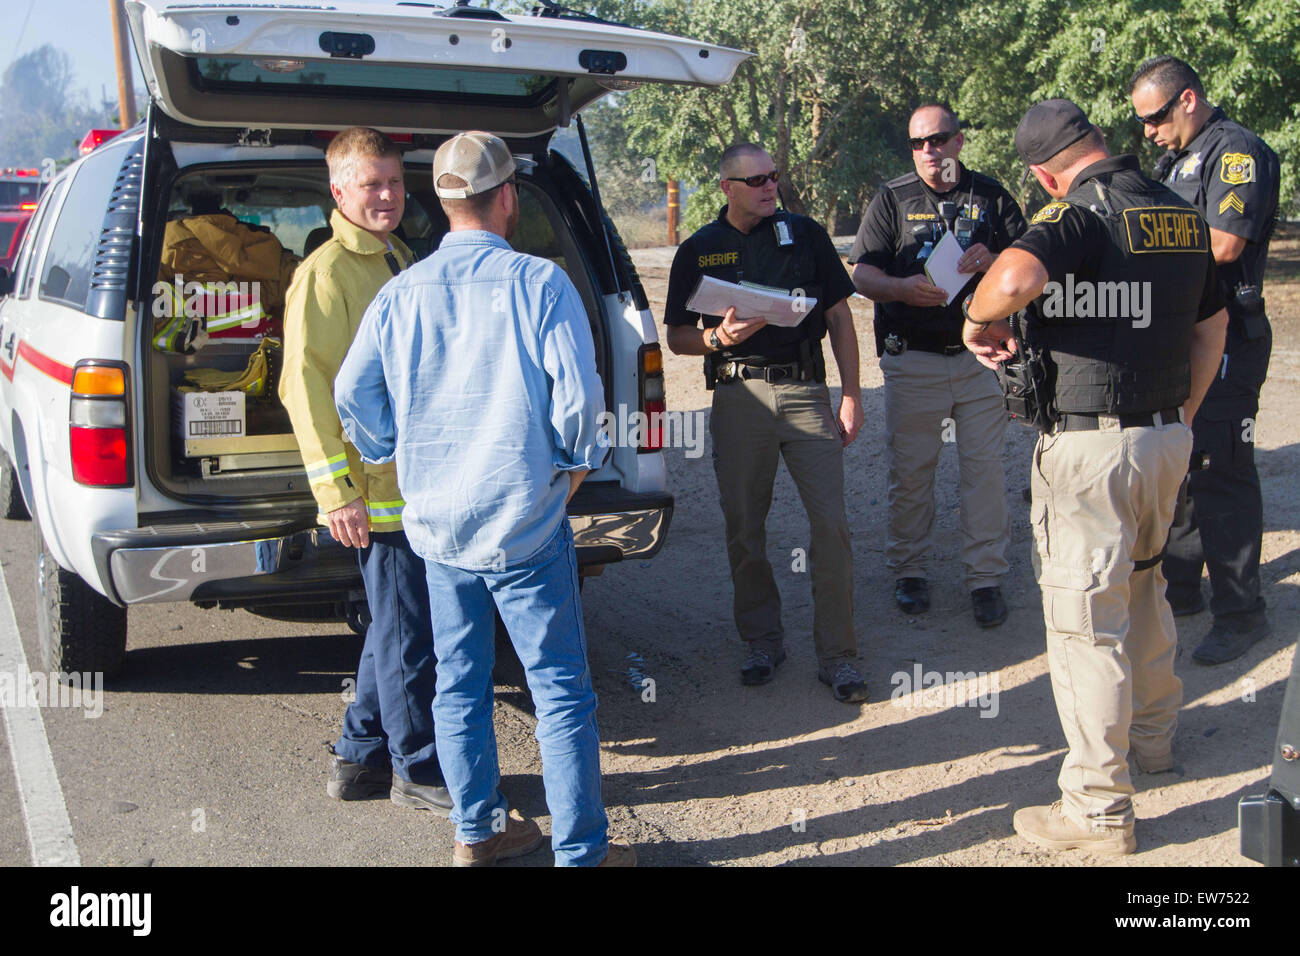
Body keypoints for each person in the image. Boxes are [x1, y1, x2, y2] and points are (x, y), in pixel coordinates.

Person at [334, 131, 632, 867]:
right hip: (525, 524)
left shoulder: (399, 293)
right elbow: (580, 401)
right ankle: (581, 854)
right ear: (508, 198)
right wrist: (572, 471)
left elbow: (351, 392)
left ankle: (477, 832)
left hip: (439, 530)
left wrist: (385, 448)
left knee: (458, 686)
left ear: (442, 203)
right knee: (558, 692)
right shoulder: (541, 284)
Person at [963, 99, 1227, 855]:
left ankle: (1098, 811)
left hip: (1092, 450)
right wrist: (1180, 417)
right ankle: (1154, 743)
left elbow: (1013, 275)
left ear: (1045, 174)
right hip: (1165, 438)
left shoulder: (1078, 213)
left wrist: (975, 321)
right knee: (1144, 588)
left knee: (1085, 624)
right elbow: (1212, 327)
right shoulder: (1177, 211)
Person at [279, 126, 449, 815]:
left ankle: (358, 757)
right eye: (371, 183)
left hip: (407, 484)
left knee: (393, 627)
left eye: (395, 181)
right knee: (408, 637)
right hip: (371, 494)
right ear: (339, 190)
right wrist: (335, 493)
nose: (387, 195)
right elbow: (303, 387)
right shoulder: (326, 274)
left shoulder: (395, 255)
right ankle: (417, 771)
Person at [664, 142, 867, 703]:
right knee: (745, 526)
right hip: (739, 398)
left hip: (805, 392)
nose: (769, 186)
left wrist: (851, 395)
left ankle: (839, 656)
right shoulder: (699, 250)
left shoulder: (805, 235)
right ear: (726, 188)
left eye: (772, 176)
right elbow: (676, 336)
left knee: (831, 525)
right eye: (754, 181)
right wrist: (715, 338)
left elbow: (839, 318)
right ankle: (761, 641)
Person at [1129, 56, 1281, 666]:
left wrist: (1146, 254)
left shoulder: (1235, 152)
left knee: (1223, 468)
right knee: (1183, 462)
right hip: (1184, 335)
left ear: (1187, 99)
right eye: (1141, 121)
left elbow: (1224, 243)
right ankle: (1184, 587)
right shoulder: (1176, 158)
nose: (1148, 132)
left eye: (1155, 117)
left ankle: (1242, 612)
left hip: (1229, 337)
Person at [849, 104, 1025, 627]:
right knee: (911, 472)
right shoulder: (892, 198)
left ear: (959, 142)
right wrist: (901, 288)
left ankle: (986, 579)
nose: (929, 150)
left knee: (984, 472)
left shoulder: (992, 197)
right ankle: (910, 571)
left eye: (939, 139)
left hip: (981, 359)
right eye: (918, 142)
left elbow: (1031, 264)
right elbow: (861, 274)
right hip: (914, 360)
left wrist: (995, 260)